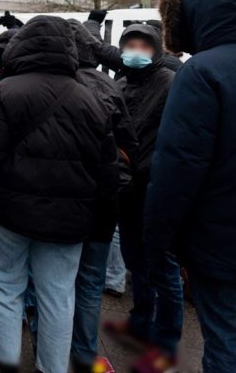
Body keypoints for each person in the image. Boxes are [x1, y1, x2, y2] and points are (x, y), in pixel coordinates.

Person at [0, 16, 118, 373]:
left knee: (3, 292)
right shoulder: (90, 99)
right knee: (59, 297)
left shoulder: (2, 92)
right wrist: (103, 227)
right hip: (69, 223)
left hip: (7, 216)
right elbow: (108, 173)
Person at [147, 0, 236, 372]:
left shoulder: (203, 72)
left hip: (224, 244)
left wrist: (158, 241)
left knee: (229, 341)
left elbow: (177, 168)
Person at [105, 23, 182, 371]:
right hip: (126, 190)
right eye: (129, 45)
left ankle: (166, 342)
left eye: (142, 45)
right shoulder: (119, 84)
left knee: (163, 267)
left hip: (154, 187)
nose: (135, 51)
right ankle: (140, 323)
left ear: (155, 49)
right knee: (135, 260)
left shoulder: (168, 83)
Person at [67, 21, 138, 373]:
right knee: (91, 282)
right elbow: (128, 143)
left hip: (63, 200)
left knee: (57, 281)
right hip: (101, 199)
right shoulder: (107, 84)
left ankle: (51, 347)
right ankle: (85, 352)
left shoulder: (57, 84)